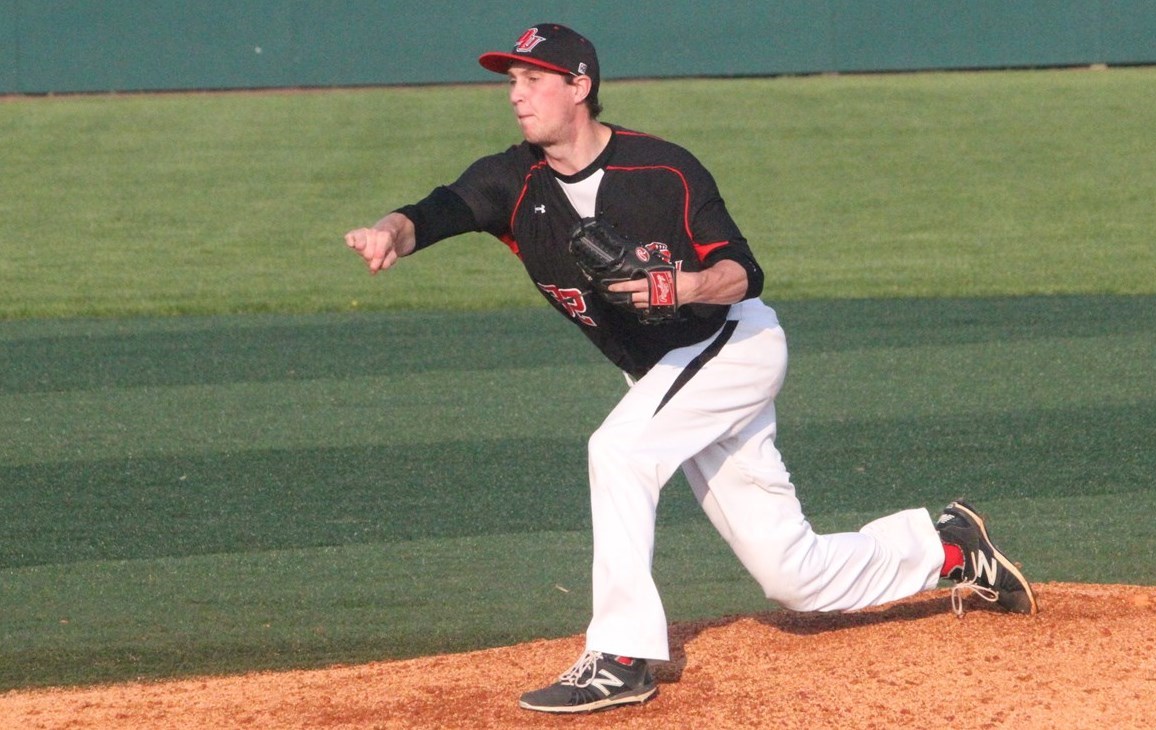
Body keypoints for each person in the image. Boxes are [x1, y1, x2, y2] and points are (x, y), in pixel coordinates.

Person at [344, 23, 1038, 715]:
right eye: (512, 81)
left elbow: (744, 272)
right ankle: (948, 548)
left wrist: (682, 286)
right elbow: (431, 213)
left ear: (579, 86)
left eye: (533, 79)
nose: (516, 94)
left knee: (618, 451)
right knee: (794, 577)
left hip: (732, 345)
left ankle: (621, 658)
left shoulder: (664, 171)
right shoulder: (511, 180)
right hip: (671, 376)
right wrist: (389, 235)